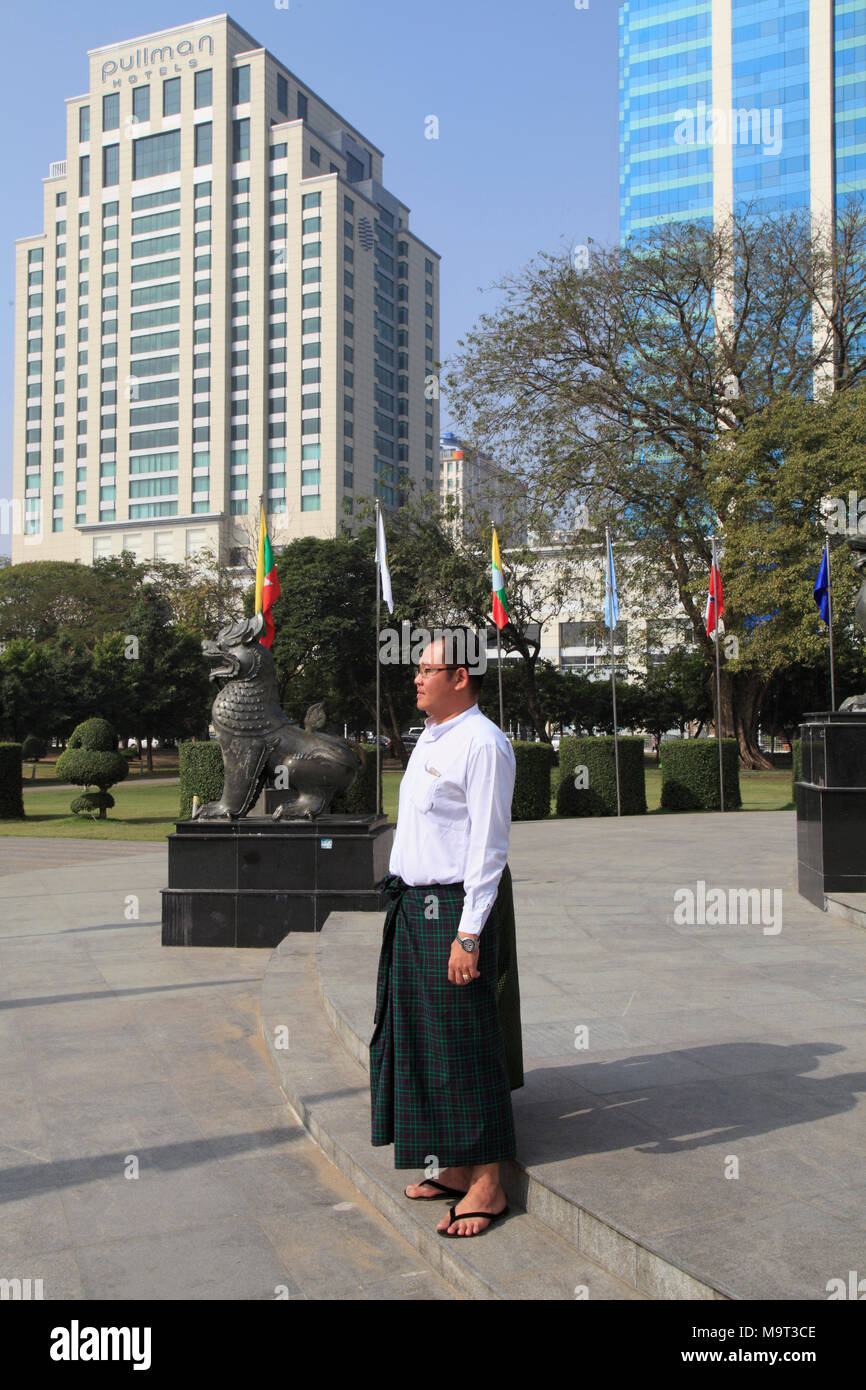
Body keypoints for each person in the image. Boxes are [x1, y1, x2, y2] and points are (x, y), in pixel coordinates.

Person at [369, 630, 520, 1237]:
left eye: (427, 668)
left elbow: (488, 846)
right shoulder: (434, 737)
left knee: (465, 1042)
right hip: (413, 907)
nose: (416, 676)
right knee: (423, 1041)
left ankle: (489, 1181)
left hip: (454, 912)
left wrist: (468, 935)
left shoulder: (483, 744)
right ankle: (455, 1167)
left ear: (462, 677)